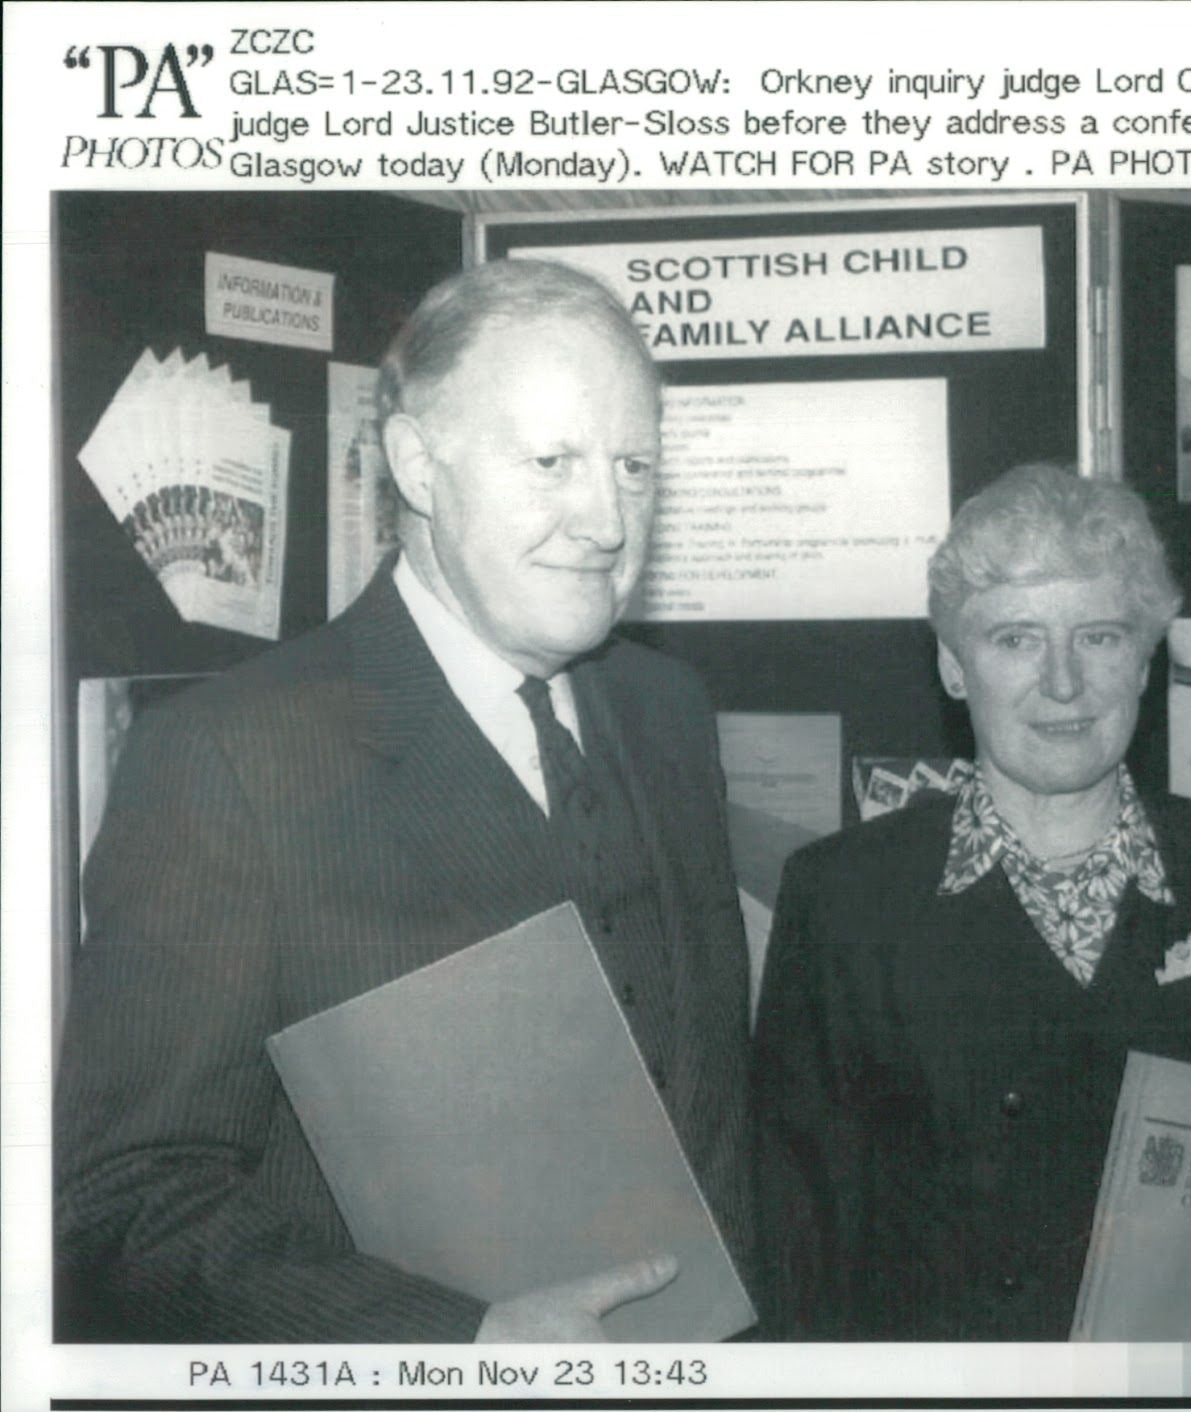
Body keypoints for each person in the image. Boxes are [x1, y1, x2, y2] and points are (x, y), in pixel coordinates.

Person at [55, 259, 755, 1343]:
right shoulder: (227, 761)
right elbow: (126, 1202)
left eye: (634, 466)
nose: (608, 520)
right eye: (551, 461)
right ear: (419, 465)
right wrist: (452, 1344)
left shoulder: (666, 712)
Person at [754, 464, 1191, 1341]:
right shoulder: (841, 901)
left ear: (1145, 659)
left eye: (1098, 637)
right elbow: (800, 1241)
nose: (1063, 683)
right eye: (1016, 639)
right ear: (953, 666)